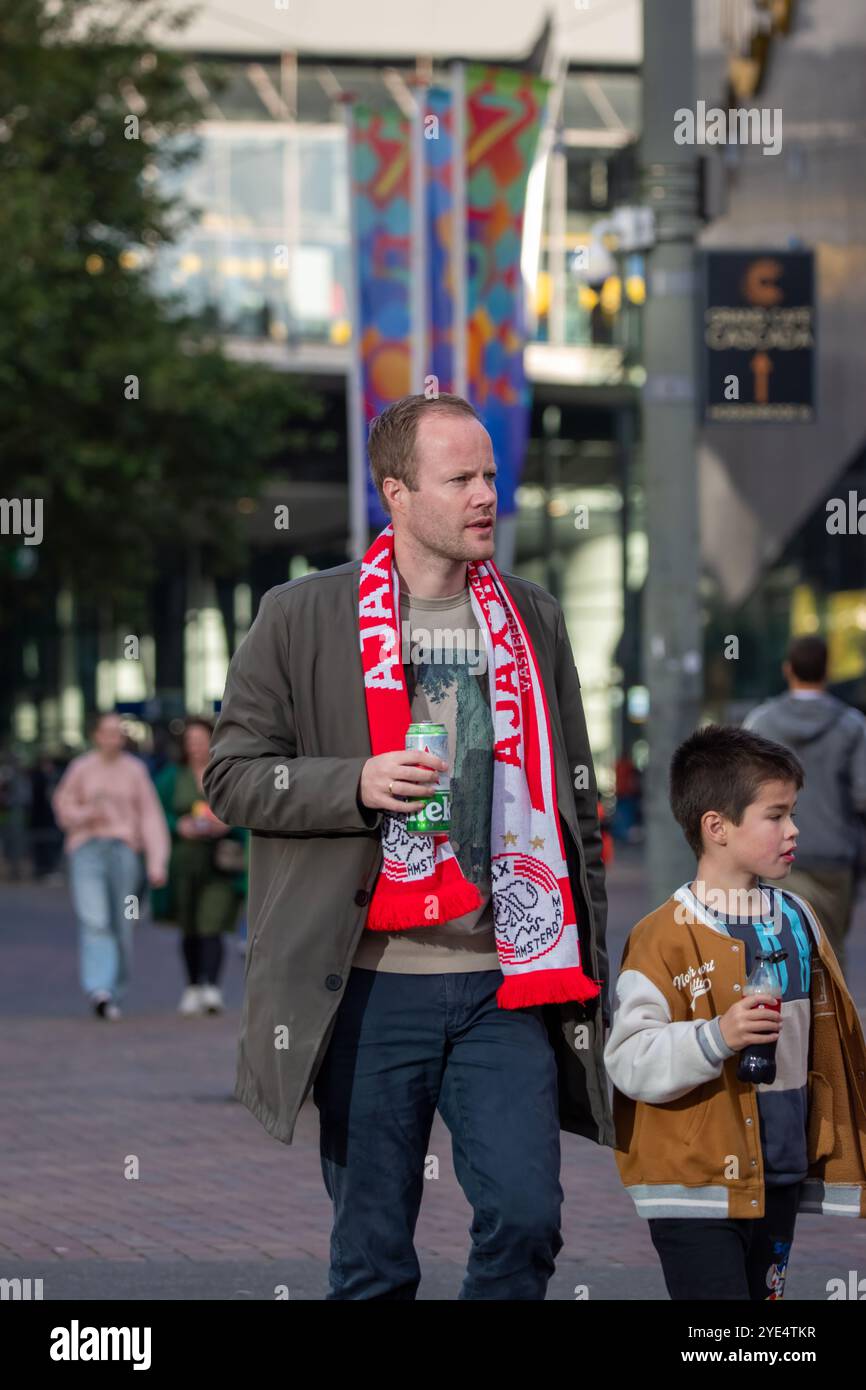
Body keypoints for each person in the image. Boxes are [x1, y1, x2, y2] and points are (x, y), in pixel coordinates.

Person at [204, 391, 613, 1301]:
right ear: (396, 492)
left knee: (527, 1217)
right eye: (460, 478)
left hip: (508, 978)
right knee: (374, 1254)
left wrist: (590, 946)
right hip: (366, 986)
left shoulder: (533, 617)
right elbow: (232, 773)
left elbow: (576, 796)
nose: (485, 497)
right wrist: (351, 783)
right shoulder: (302, 614)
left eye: (492, 478)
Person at [604, 724, 866, 1302]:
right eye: (775, 816)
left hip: (776, 1174)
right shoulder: (661, 937)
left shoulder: (799, 918)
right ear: (716, 827)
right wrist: (718, 1035)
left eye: (792, 813)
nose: (793, 830)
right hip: (691, 1182)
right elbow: (628, 1060)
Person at [743, 633, 866, 976]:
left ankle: (787, 1021)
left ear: (787, 669)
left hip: (773, 853)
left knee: (777, 947)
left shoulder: (760, 722)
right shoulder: (853, 726)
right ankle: (832, 1025)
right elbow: (862, 795)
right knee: (830, 949)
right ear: (827, 670)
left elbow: (742, 791)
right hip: (834, 857)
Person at [52, 713, 170, 1020]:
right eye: (106, 732)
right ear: (96, 735)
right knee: (95, 919)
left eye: (117, 733)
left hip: (124, 853)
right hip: (86, 850)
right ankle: (99, 989)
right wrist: (85, 814)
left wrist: (157, 862)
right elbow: (63, 806)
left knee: (123, 922)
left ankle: (113, 991)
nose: (112, 738)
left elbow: (150, 817)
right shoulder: (81, 768)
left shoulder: (135, 771)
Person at [152, 717, 247, 1016]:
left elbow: (246, 811)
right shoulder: (171, 777)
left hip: (220, 862)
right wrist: (177, 825)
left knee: (213, 923)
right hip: (184, 863)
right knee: (189, 925)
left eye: (201, 740)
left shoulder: (226, 774)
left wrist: (225, 824)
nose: (196, 747)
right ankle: (193, 985)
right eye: (190, 741)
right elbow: (154, 813)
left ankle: (212, 989)